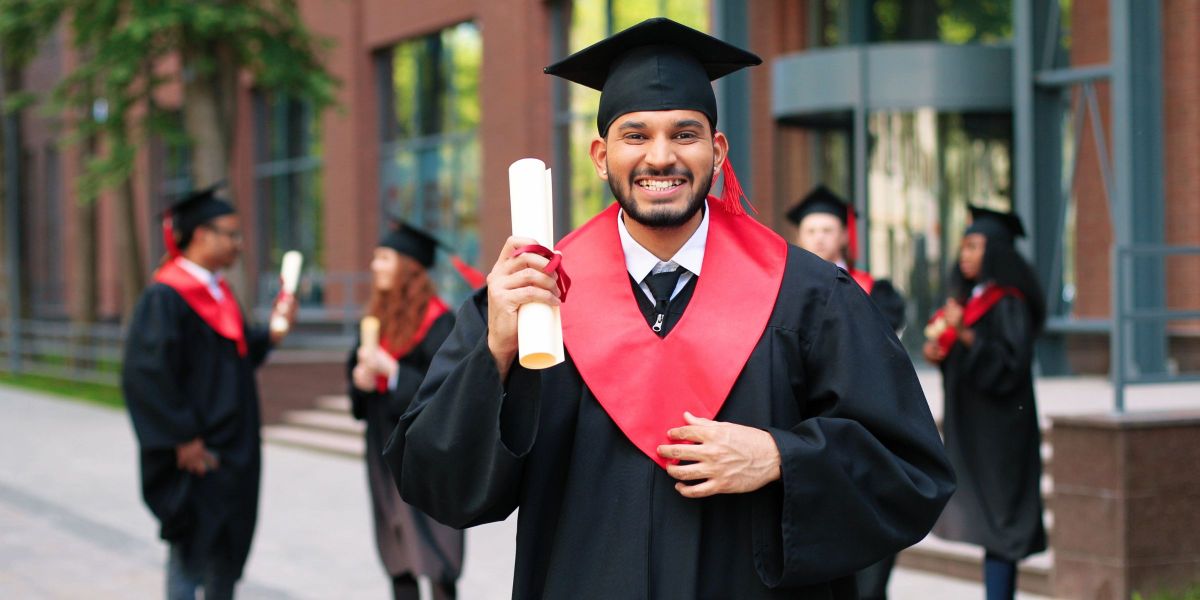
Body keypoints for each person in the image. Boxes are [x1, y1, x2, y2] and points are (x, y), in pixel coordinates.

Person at [386, 18, 955, 599]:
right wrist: (496, 354)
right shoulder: (528, 299)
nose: (661, 158)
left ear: (717, 148)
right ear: (601, 156)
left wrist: (782, 457)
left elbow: (912, 473)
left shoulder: (809, 297)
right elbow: (433, 480)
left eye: (685, 134)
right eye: (636, 136)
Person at [121, 185, 295, 599]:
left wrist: (272, 331)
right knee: (192, 553)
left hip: (235, 450)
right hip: (199, 454)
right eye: (230, 234)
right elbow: (146, 376)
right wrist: (181, 437)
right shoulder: (166, 296)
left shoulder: (219, 291)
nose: (238, 244)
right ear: (200, 235)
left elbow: (234, 361)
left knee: (227, 553)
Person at [924, 206, 1047, 600]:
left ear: (996, 251)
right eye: (963, 246)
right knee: (988, 521)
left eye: (975, 246)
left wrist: (965, 336)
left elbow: (1010, 366)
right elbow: (967, 364)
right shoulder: (971, 300)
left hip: (1002, 435)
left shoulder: (1009, 301)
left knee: (1000, 525)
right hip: (976, 428)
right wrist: (942, 354)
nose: (965, 255)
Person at [347, 222, 466, 600]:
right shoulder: (375, 320)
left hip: (427, 450)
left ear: (409, 266)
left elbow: (449, 391)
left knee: (435, 548)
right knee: (396, 542)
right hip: (384, 446)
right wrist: (361, 381)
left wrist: (394, 372)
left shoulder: (441, 322)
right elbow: (358, 394)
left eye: (384, 258)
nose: (374, 265)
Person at [787, 184, 906, 332]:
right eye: (811, 231)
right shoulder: (787, 288)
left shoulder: (871, 291)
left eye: (827, 230)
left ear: (844, 235)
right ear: (799, 238)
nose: (819, 238)